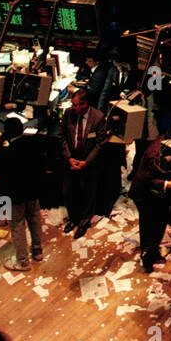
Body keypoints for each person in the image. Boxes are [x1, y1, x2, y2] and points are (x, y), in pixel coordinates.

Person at [0, 114, 44, 271]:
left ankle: (23, 261)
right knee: (34, 220)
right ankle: (37, 250)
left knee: (17, 226)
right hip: (33, 191)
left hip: (16, 196)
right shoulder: (34, 145)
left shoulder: (5, 153)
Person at [129, 135, 171, 273]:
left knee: (159, 223)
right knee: (148, 227)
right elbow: (148, 179)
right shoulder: (154, 155)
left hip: (157, 196)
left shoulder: (164, 143)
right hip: (144, 195)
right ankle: (147, 258)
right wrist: (169, 184)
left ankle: (153, 252)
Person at [60, 88, 107, 238]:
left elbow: (100, 144)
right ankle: (74, 219)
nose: (72, 108)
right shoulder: (68, 114)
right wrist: (68, 158)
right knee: (69, 191)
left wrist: (86, 162)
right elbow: (61, 137)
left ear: (84, 105)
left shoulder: (98, 118)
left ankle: (84, 222)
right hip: (72, 160)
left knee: (88, 193)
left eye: (75, 105)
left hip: (89, 162)